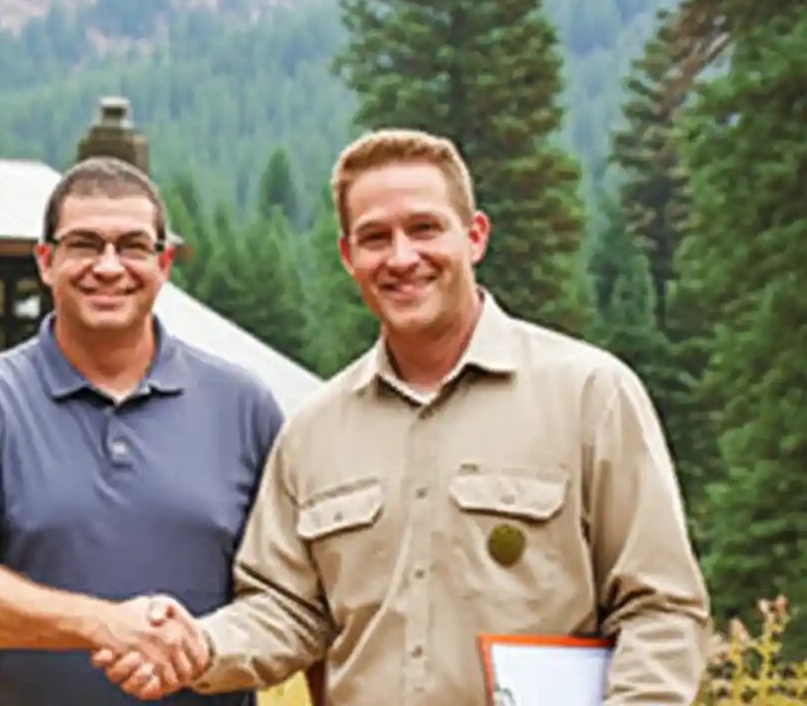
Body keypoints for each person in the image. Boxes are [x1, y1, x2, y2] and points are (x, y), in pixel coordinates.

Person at [94, 128, 713, 704]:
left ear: (475, 236)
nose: (402, 257)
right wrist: (200, 645)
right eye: (375, 237)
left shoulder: (590, 396)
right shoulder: (314, 431)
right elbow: (287, 608)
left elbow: (661, 610)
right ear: (347, 255)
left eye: (425, 228)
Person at [0, 156, 320, 706]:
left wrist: (201, 646)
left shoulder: (243, 404)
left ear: (164, 262)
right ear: (46, 261)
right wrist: (102, 624)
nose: (107, 266)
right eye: (83, 244)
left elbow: (298, 595)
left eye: (131, 246)